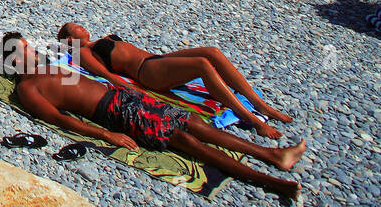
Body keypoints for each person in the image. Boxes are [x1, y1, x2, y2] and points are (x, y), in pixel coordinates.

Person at [0, 34, 305, 200]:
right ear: (14, 59)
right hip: (113, 113)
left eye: (29, 46)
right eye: (25, 50)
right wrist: (106, 135)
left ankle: (271, 155)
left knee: (194, 123)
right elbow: (59, 119)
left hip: (124, 98)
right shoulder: (28, 89)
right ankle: (272, 181)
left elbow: (87, 74)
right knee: (187, 142)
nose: (33, 51)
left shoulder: (46, 68)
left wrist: (121, 84)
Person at [56, 23, 292, 139]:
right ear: (69, 38)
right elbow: (104, 74)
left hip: (157, 60)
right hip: (147, 71)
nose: (81, 26)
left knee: (212, 52)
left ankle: (260, 104)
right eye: (75, 27)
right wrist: (128, 88)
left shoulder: (101, 39)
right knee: (202, 65)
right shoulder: (81, 50)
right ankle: (251, 119)